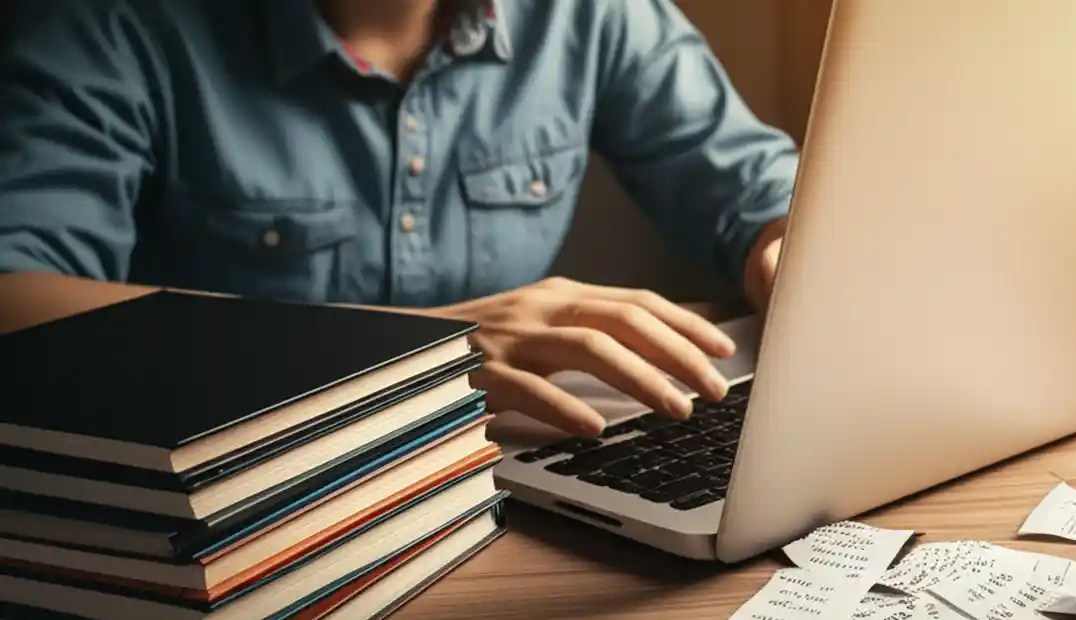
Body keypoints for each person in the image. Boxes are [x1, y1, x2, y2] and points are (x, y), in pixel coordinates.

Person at [0, 0, 796, 436]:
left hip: (492, 474)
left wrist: (794, 250)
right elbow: (17, 301)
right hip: (233, 504)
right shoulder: (107, 27)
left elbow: (761, 192)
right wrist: (415, 351)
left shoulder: (589, 16)